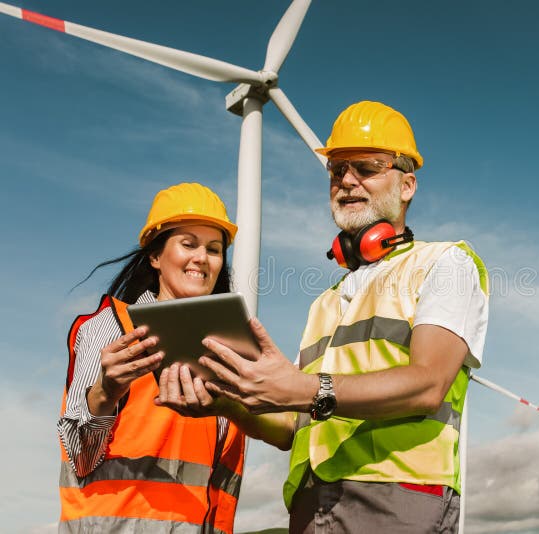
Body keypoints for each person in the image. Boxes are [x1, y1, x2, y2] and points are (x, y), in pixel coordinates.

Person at [160, 101, 489, 533]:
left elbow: (428, 384)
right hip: (311, 506)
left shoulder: (446, 264)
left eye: (367, 167)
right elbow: (290, 426)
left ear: (407, 185)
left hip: (397, 500)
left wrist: (304, 387)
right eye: (337, 171)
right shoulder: (326, 303)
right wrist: (226, 402)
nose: (347, 181)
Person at [57, 182, 291, 534]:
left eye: (214, 249)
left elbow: (285, 434)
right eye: (188, 244)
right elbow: (81, 457)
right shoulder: (111, 327)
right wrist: (105, 392)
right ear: (154, 256)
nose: (202, 257)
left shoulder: (232, 349)